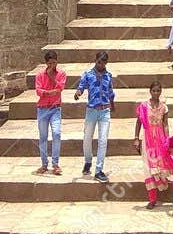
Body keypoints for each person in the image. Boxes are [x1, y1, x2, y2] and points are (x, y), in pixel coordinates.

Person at [75, 52, 114, 181]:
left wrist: (112, 105)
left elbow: (110, 92)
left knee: (103, 140)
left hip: (105, 111)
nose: (101, 65)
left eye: (104, 63)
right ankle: (88, 160)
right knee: (87, 138)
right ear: (96, 61)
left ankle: (99, 169)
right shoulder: (88, 75)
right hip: (91, 110)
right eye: (99, 62)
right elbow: (81, 87)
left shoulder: (108, 76)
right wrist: (78, 93)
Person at [135, 81, 172, 209]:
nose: (156, 93)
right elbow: (139, 122)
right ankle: (152, 199)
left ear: (161, 92)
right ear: (150, 91)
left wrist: (167, 140)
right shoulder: (144, 106)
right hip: (147, 139)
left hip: (160, 139)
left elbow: (166, 124)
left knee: (161, 165)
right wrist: (136, 138)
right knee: (148, 168)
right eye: (154, 91)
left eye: (158, 91)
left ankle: (168, 191)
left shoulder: (164, 107)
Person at [33, 51, 66, 176]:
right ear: (46, 63)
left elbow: (60, 88)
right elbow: (38, 90)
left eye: (54, 62)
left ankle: (55, 163)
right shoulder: (40, 75)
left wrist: (51, 76)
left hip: (55, 108)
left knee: (56, 134)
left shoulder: (61, 74)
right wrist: (49, 92)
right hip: (42, 109)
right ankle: (44, 164)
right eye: (50, 63)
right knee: (43, 137)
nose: (52, 65)